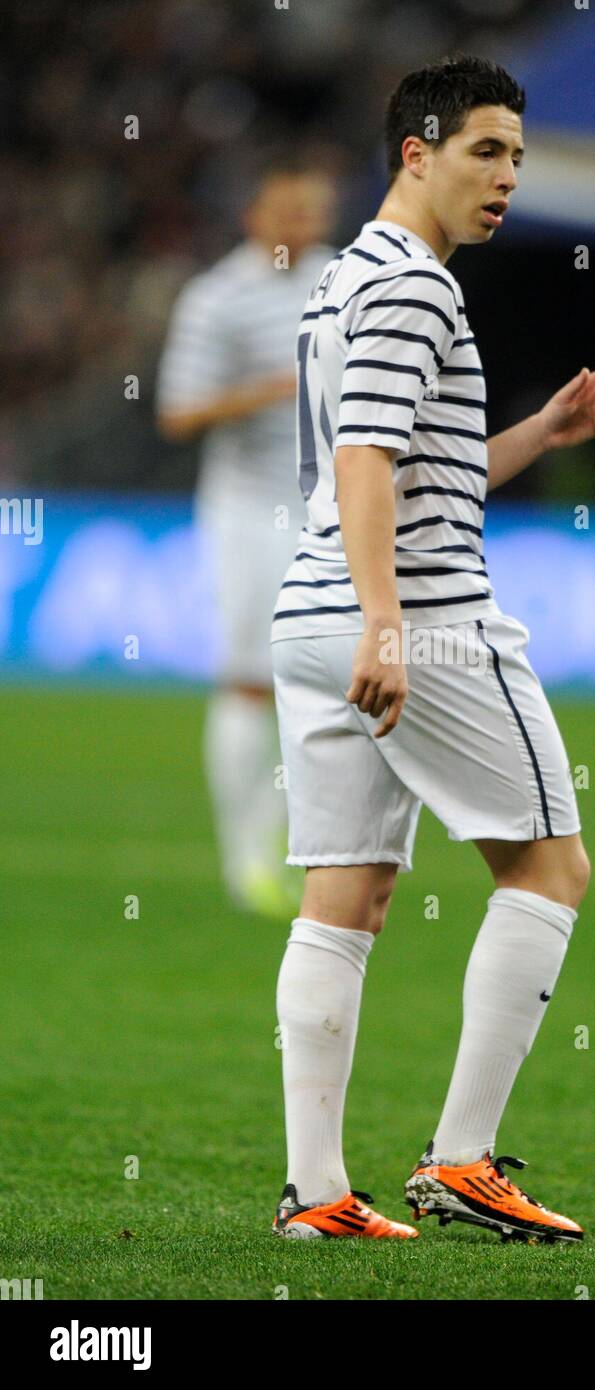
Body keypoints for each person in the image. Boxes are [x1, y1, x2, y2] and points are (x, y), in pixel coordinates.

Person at [269, 54, 595, 1243]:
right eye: (485, 150)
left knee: (344, 896)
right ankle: (459, 1161)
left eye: (518, 157)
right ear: (415, 153)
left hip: (312, 618)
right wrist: (389, 622)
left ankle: (315, 1192)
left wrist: (540, 430)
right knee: (550, 869)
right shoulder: (419, 287)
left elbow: (400, 466)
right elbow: (367, 467)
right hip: (414, 621)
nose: (507, 178)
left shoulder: (339, 284)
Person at [156, 153, 338, 917]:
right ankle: (243, 861)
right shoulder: (216, 298)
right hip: (245, 506)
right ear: (253, 216)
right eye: (288, 210)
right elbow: (177, 413)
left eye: (312, 210)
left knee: (332, 682)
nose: (302, 225)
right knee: (248, 678)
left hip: (330, 501)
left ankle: (292, 844)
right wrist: (264, 392)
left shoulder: (343, 280)